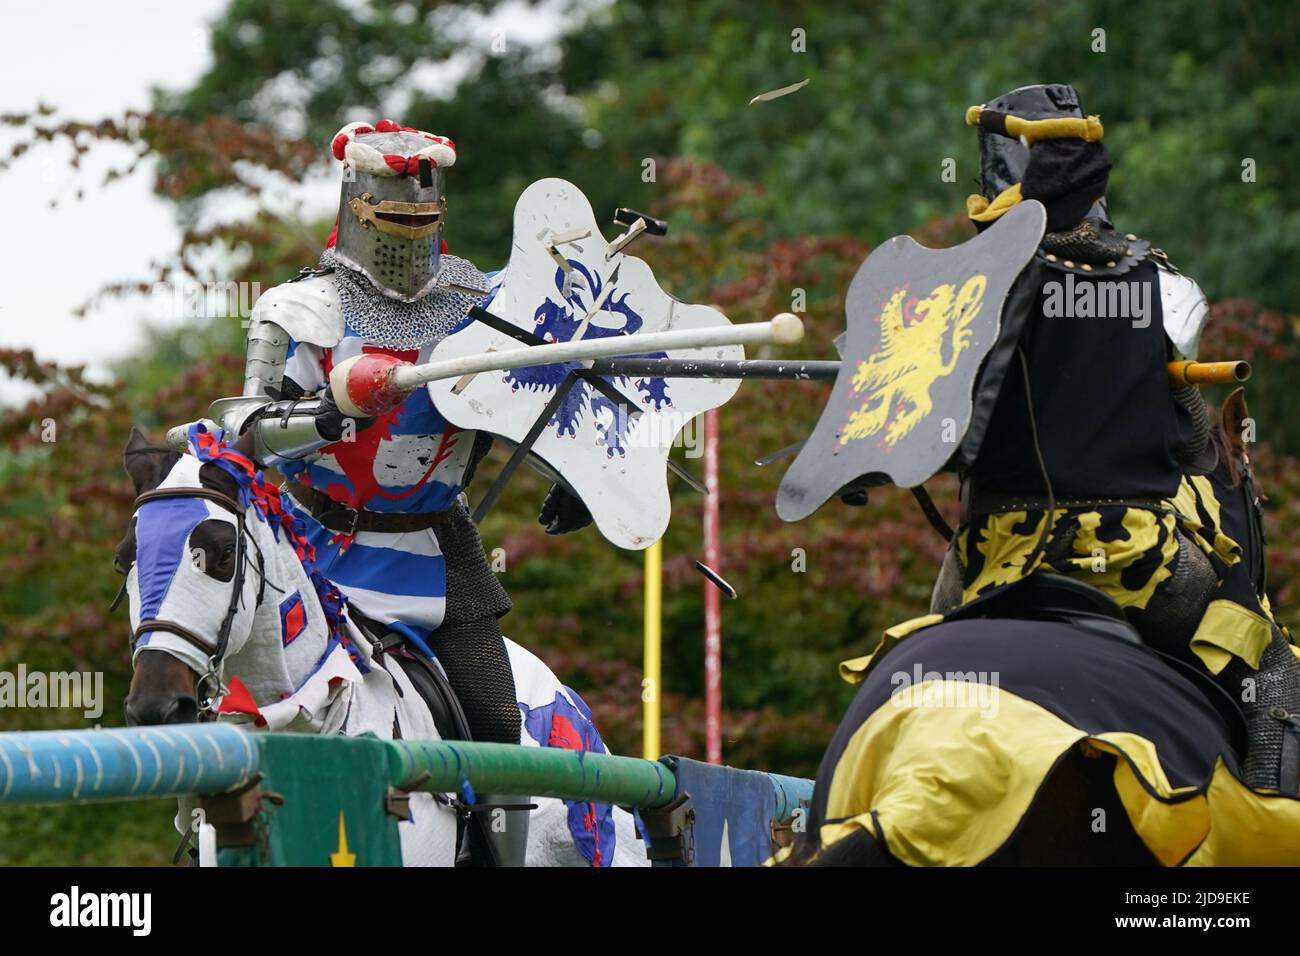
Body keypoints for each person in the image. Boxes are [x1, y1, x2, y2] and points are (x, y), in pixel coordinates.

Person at [214, 119, 592, 862]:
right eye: (394, 218)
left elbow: (523, 412)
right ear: (356, 206)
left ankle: (493, 850)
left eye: (423, 219)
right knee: (224, 692)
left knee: (492, 714)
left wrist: (576, 477)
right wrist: (325, 413)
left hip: (433, 546)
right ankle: (212, 834)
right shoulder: (300, 311)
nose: (410, 233)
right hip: (311, 549)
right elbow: (243, 431)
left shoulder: (489, 309)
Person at [925, 84, 1299, 795]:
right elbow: (1194, 444)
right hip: (1135, 556)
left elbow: (933, 444)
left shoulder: (958, 290)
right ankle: (1274, 820)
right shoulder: (1152, 278)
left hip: (987, 560)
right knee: (1277, 672)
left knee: (917, 659)